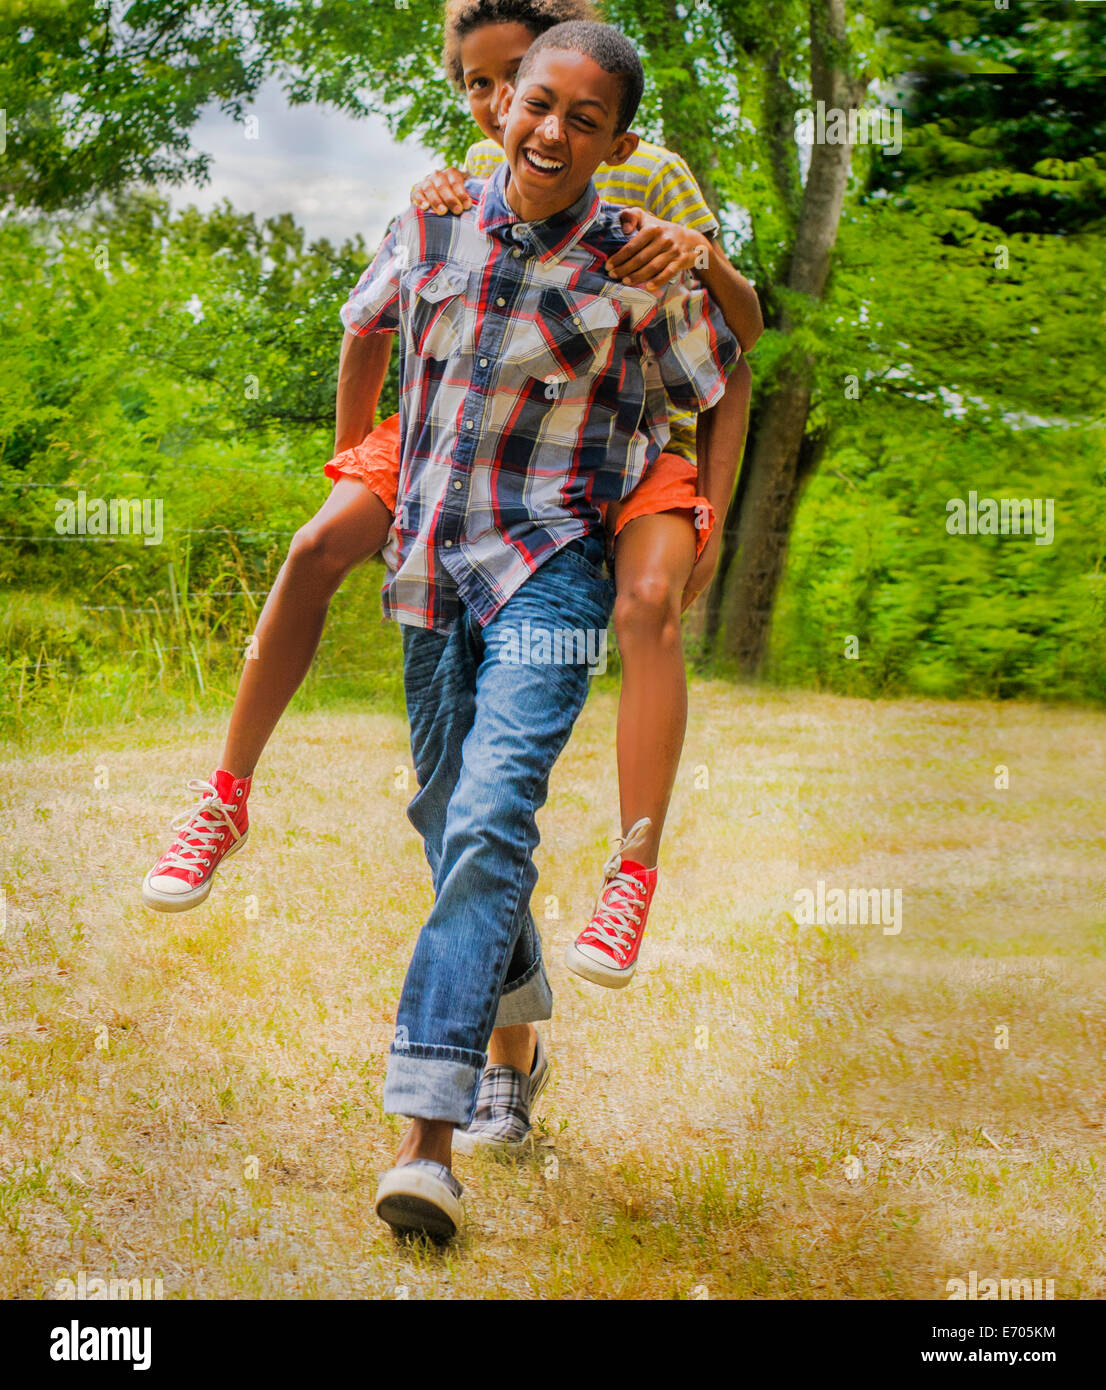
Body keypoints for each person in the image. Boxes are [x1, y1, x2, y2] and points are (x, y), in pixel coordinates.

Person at [355, 18, 740, 1238]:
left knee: (490, 810)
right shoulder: (425, 218)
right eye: (535, 105)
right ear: (501, 102)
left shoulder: (636, 258)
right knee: (446, 818)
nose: (550, 133)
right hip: (429, 561)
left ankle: (429, 1136)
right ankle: (508, 1047)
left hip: (554, 566)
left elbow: (717, 376)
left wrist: (688, 278)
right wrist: (363, 474)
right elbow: (366, 326)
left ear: (616, 142)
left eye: (584, 120)